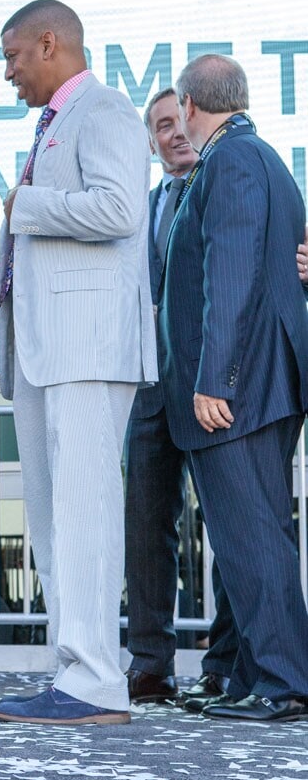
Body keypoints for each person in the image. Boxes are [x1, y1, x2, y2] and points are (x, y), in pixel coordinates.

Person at [0, 0, 156, 727]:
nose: (9, 73)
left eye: (14, 57)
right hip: (47, 348)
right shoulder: (54, 123)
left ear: (50, 43)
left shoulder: (107, 109)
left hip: (87, 345)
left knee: (84, 516)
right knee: (56, 521)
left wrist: (26, 205)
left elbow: (121, 211)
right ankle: (75, 670)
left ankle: (95, 681)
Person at [160, 53, 308, 722]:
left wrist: (214, 377)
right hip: (262, 380)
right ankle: (258, 675)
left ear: (190, 105)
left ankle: (282, 682)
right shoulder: (264, 159)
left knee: (251, 536)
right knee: (258, 532)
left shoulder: (233, 161)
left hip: (239, 385)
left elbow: (233, 271)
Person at [125, 87, 237, 707]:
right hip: (147, 390)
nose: (173, 133)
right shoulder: (137, 211)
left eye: (179, 120)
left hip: (214, 389)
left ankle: (222, 663)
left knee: (228, 528)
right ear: (149, 141)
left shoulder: (228, 187)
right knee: (146, 530)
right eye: (160, 126)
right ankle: (151, 666)